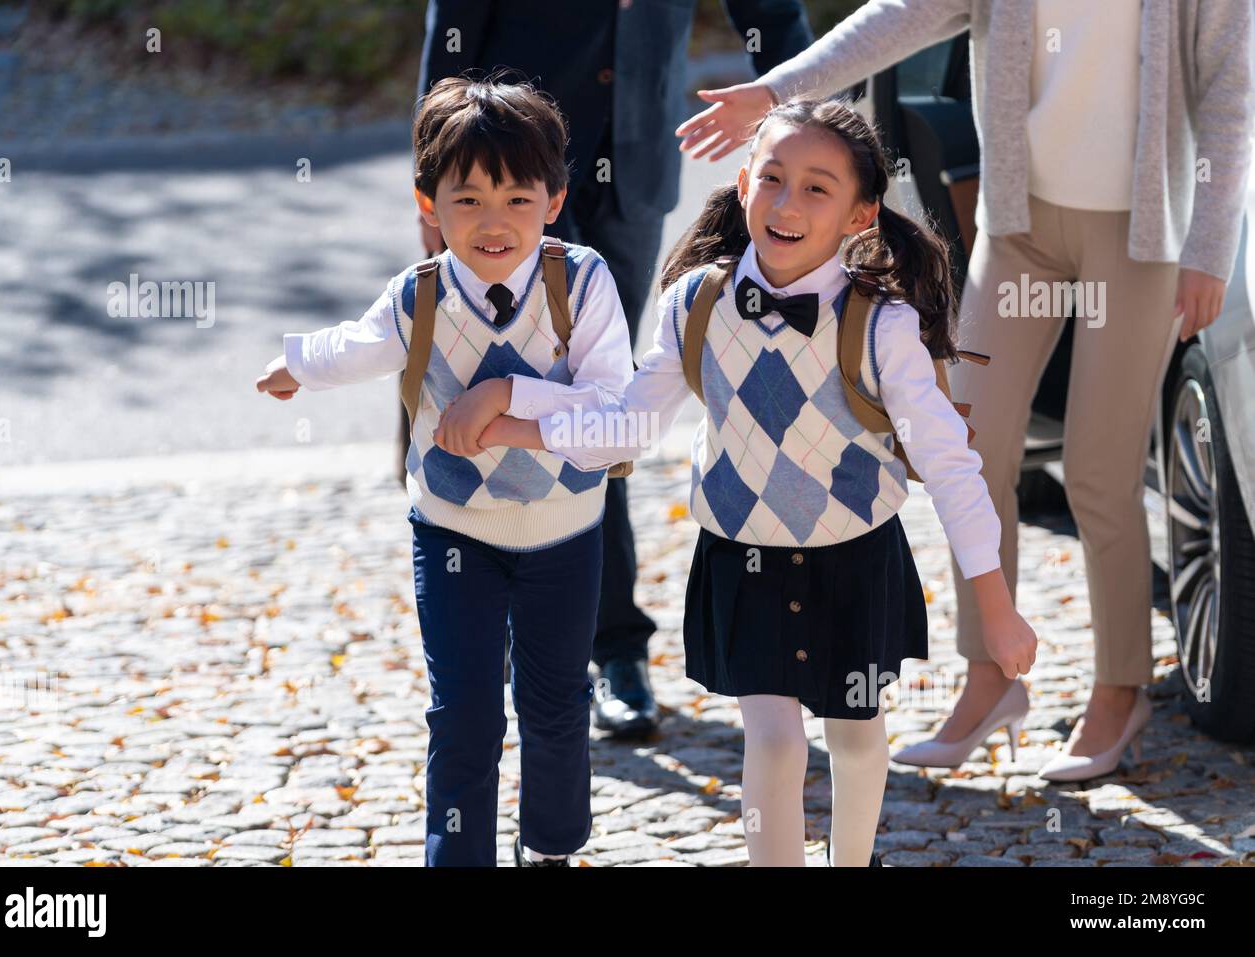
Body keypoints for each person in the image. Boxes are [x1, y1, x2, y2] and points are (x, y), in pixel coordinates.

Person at [437, 97, 1038, 865]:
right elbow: (626, 422)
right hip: (741, 556)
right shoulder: (696, 303)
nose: (787, 203)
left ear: (860, 214)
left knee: (855, 739)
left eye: (817, 188)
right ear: (745, 181)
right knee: (778, 742)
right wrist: (511, 410)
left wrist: (996, 608)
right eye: (774, 179)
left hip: (852, 559)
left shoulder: (882, 325)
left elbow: (951, 465)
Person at [673, 0, 1254, 779]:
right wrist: (780, 90)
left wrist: (1210, 247)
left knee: (1097, 472)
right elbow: (903, 15)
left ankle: (1119, 690)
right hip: (1022, 226)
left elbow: (1227, 88)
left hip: (1141, 229)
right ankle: (990, 681)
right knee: (968, 443)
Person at [254, 75, 635, 866]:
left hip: (565, 534)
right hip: (452, 532)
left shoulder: (584, 282)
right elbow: (358, 346)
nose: (494, 224)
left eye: (517, 200)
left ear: (556, 199)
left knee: (556, 703)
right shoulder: (419, 297)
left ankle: (553, 846)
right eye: (468, 201)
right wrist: (295, 364)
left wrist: (505, 396)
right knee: (461, 709)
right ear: (428, 203)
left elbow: (611, 415)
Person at [415, 0, 814, 736]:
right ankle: (520, 623)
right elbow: (454, 31)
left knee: (603, 396)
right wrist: (436, 184)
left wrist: (817, 129)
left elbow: (774, 14)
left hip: (632, 170)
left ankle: (612, 647)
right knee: (514, 389)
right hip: (510, 174)